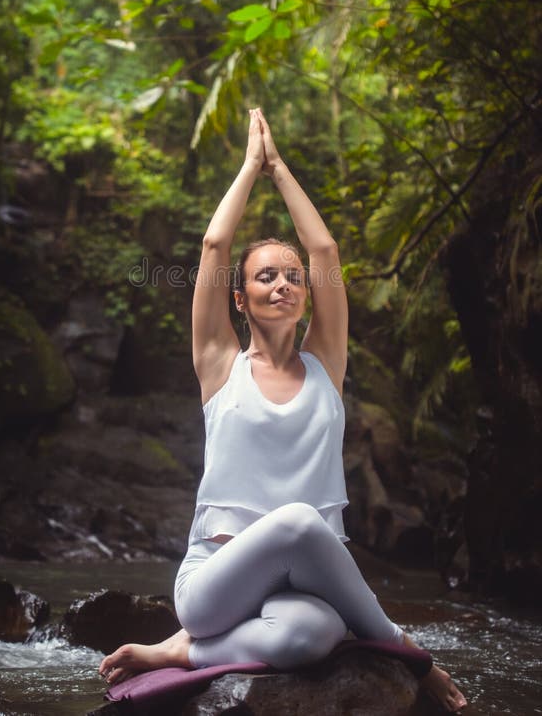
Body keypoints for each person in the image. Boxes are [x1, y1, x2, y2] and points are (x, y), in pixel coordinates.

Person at [99, 108, 467, 713]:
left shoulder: (327, 366)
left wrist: (282, 169)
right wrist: (250, 168)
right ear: (240, 300)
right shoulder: (220, 365)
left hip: (294, 593)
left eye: (293, 277)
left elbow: (324, 248)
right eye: (267, 276)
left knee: (314, 636)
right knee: (300, 521)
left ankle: (178, 652)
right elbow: (215, 244)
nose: (284, 283)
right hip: (215, 580)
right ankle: (408, 651)